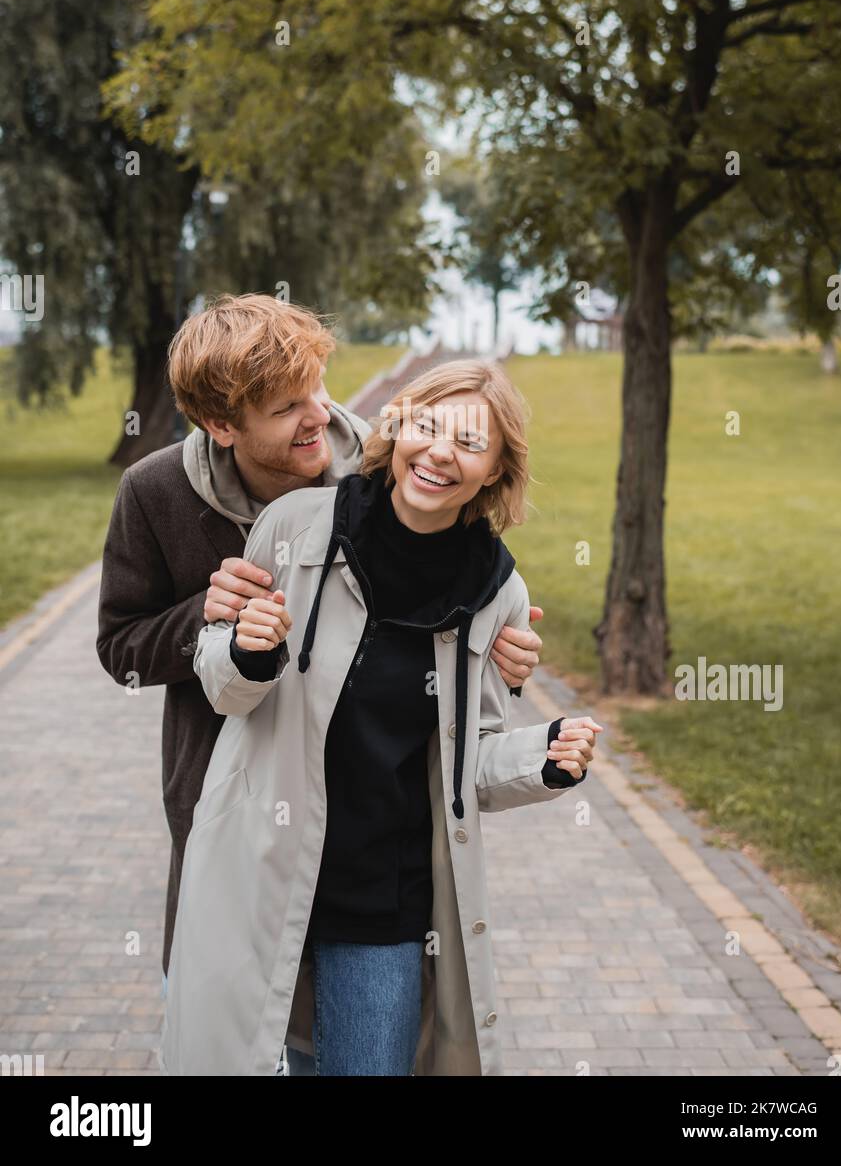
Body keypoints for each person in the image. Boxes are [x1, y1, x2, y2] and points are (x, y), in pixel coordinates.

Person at [96, 293, 546, 997]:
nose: (318, 416)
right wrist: (199, 620)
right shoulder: (153, 492)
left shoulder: (378, 467)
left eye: (316, 389)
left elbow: (453, 588)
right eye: (285, 408)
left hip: (360, 821)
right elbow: (120, 648)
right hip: (220, 808)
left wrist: (494, 650)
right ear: (221, 424)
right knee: (217, 1019)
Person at [161, 358, 601, 1076]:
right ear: (396, 430)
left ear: (494, 470)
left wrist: (543, 759)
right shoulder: (294, 527)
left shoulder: (497, 593)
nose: (437, 452)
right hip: (260, 872)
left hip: (385, 904)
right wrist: (244, 651)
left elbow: (471, 767)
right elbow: (224, 689)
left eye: (467, 442)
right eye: (424, 427)